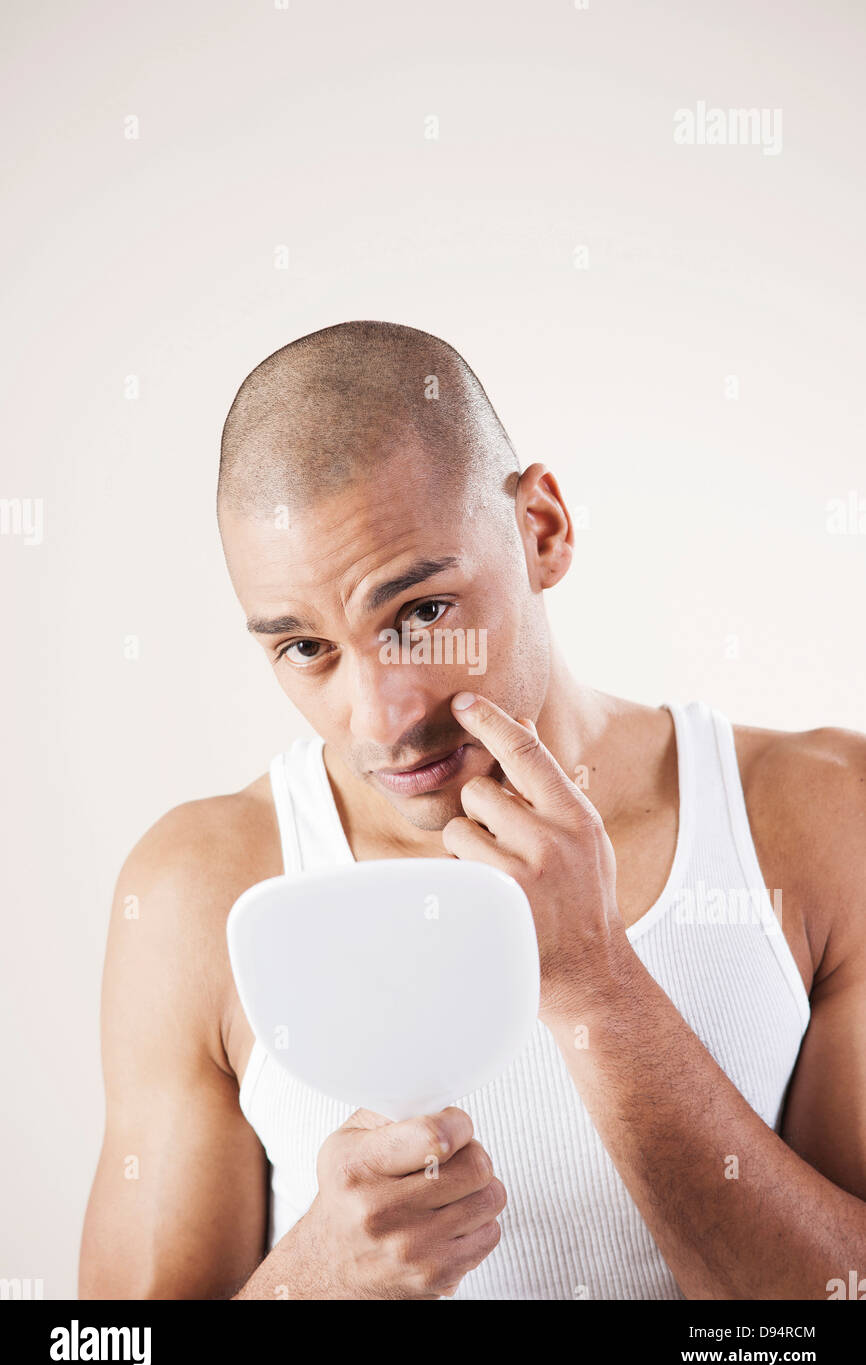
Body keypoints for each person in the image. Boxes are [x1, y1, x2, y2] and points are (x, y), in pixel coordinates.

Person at [79, 320, 866, 1300]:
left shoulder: (819, 817)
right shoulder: (198, 893)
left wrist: (598, 987)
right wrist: (317, 1281)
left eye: (420, 613)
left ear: (541, 529)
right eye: (304, 648)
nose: (383, 718)